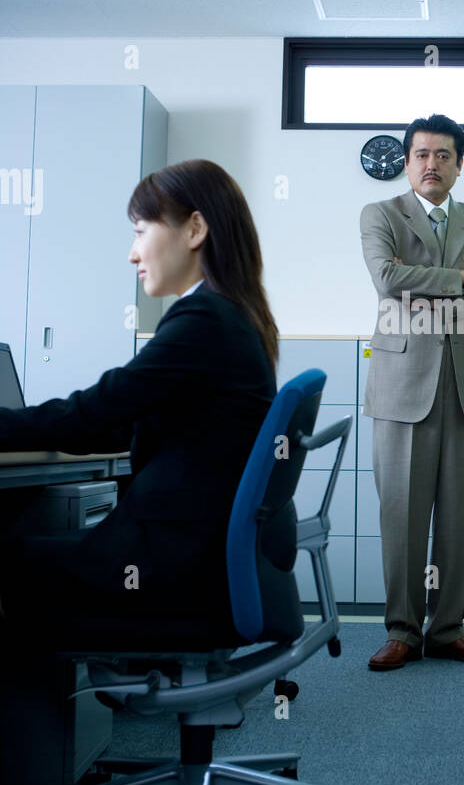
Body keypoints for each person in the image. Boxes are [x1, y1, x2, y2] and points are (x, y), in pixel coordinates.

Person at [0, 159, 278, 642]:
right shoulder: (234, 314)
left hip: (166, 563)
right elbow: (121, 420)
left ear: (194, 228)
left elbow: (93, 411)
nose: (133, 254)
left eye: (140, 230)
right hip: (193, 554)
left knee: (12, 559)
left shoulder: (203, 320)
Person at [360, 114, 464, 669]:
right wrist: (463, 278)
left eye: (443, 155)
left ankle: (448, 629)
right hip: (403, 383)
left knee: (456, 516)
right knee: (400, 513)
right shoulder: (381, 214)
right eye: (422, 154)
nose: (432, 164)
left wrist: (429, 284)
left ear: (459, 164)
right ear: (407, 161)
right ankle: (402, 629)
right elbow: (387, 280)